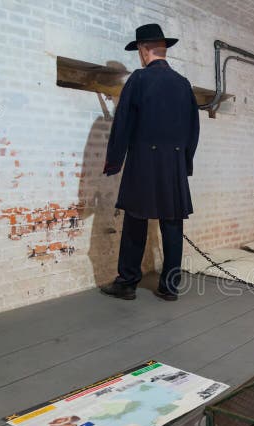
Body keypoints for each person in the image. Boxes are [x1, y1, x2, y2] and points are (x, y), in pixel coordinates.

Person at [100, 24, 200, 301]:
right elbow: (194, 129)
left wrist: (114, 162)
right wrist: (185, 162)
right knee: (172, 223)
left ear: (144, 50)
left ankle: (128, 282)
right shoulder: (183, 84)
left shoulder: (139, 79)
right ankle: (169, 287)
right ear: (162, 48)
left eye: (139, 51)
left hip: (143, 161)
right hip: (174, 163)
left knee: (135, 220)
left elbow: (123, 124)